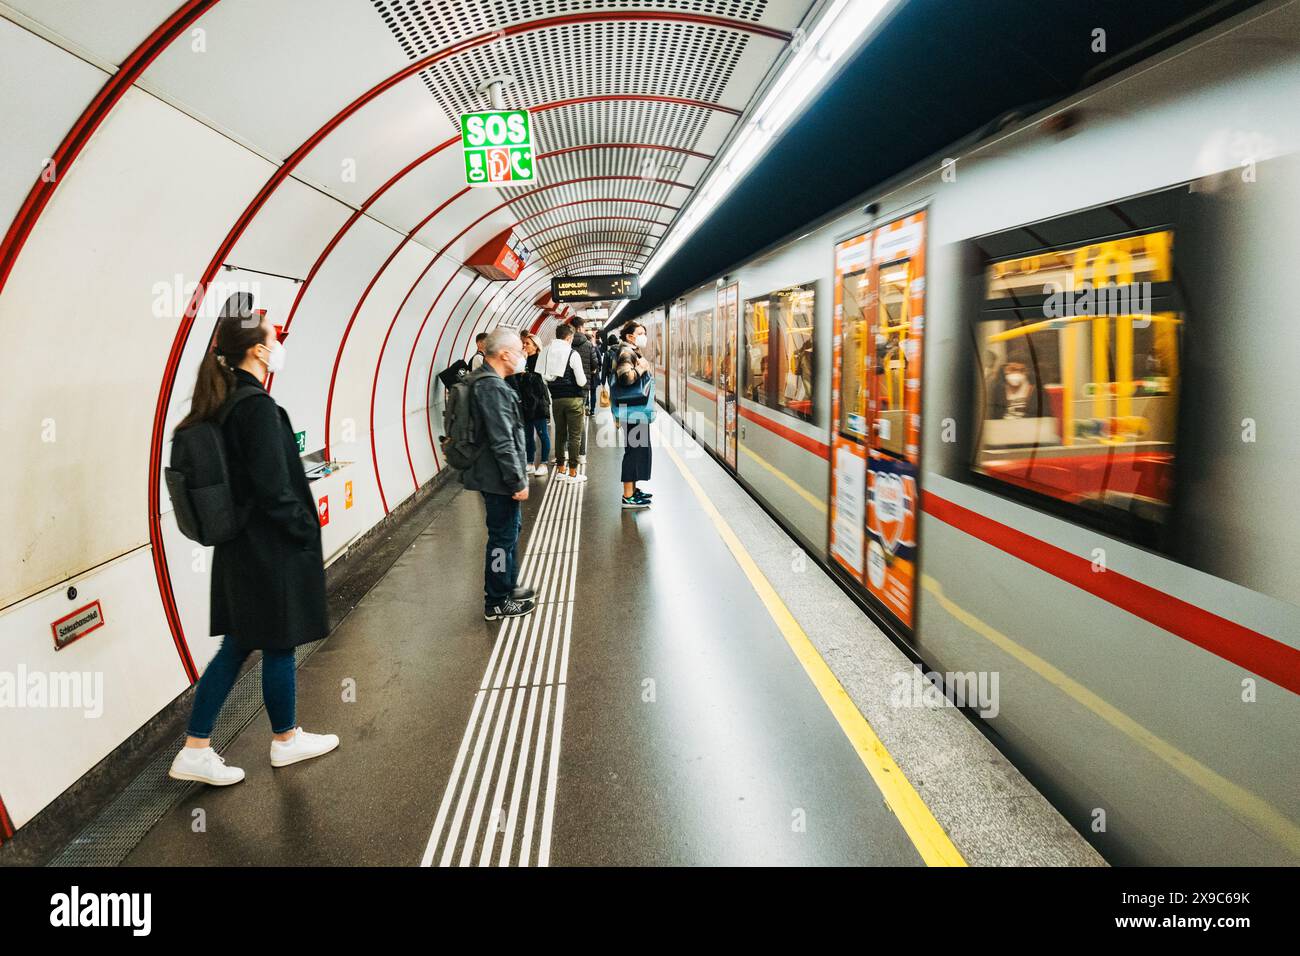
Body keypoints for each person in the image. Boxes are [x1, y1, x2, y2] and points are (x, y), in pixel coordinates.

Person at [168, 299, 338, 787]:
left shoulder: (220, 402)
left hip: (239, 549)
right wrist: (304, 531)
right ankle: (285, 741)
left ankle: (198, 747)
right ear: (260, 350)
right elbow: (274, 487)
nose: (279, 345)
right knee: (278, 641)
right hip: (269, 549)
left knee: (239, 644)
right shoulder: (256, 408)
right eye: (274, 337)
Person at [461, 328, 536, 620]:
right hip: (498, 478)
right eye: (519, 350)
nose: (523, 355)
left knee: (508, 532)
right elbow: (503, 439)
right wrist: (517, 480)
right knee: (501, 540)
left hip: (494, 475)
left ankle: (506, 587)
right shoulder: (491, 387)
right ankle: (496, 601)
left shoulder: (487, 381)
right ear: (504, 354)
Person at [612, 320, 655, 509]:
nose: (643, 335)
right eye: (640, 332)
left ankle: (633, 491)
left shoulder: (630, 351)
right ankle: (627, 496)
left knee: (638, 450)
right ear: (630, 336)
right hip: (632, 411)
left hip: (634, 410)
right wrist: (642, 368)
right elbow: (625, 378)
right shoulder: (626, 352)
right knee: (633, 452)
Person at [539, 322, 587, 483]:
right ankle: (573, 473)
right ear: (569, 337)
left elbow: (544, 379)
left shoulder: (546, 352)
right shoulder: (572, 353)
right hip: (574, 400)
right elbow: (581, 381)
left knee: (560, 434)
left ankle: (561, 470)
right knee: (574, 436)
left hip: (556, 400)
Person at [509, 332, 551, 477]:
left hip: (538, 402)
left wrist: (525, 374)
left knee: (542, 433)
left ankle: (544, 463)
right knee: (528, 435)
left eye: (528, 343)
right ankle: (530, 462)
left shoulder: (540, 359)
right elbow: (514, 379)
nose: (525, 346)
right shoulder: (521, 360)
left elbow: (539, 381)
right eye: (524, 344)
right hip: (525, 402)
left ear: (535, 346)